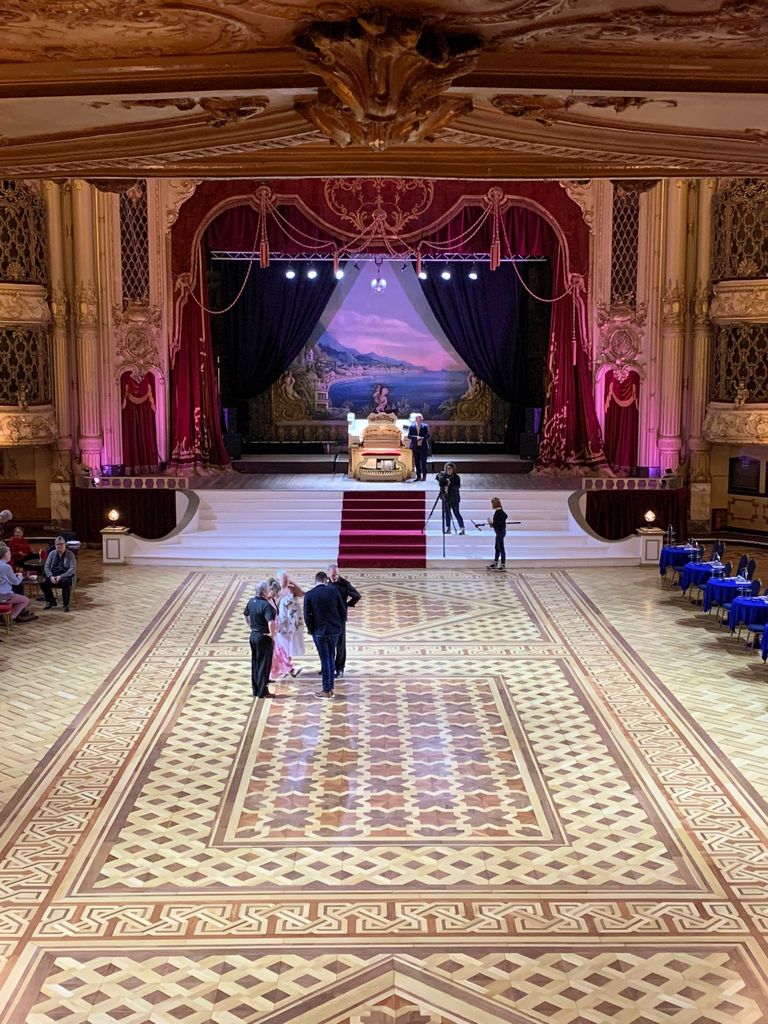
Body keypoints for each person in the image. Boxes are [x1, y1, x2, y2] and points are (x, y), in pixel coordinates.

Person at [303, 571, 347, 699]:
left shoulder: (310, 594)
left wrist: (312, 630)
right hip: (334, 630)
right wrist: (339, 626)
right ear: (325, 580)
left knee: (325, 659)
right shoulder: (334, 592)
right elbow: (342, 611)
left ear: (315, 581)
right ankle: (330, 687)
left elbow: (307, 616)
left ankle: (326, 690)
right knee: (331, 657)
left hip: (319, 632)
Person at [243, 579, 276, 699]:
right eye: (268, 589)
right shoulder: (266, 605)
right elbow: (271, 623)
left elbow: (245, 615)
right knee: (264, 664)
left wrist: (251, 626)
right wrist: (272, 635)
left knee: (255, 663)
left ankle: (256, 689)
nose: (269, 591)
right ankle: (263, 691)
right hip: (263, 637)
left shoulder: (251, 601)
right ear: (263, 591)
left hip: (253, 635)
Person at [328, 562, 361, 677]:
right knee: (329, 643)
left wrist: (347, 605)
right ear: (329, 574)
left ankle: (340, 668)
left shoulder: (345, 584)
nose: (334, 577)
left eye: (336, 575)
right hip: (329, 617)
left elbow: (357, 595)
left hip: (340, 617)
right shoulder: (327, 584)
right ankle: (329, 667)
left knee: (340, 644)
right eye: (332, 576)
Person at [267, 578, 300, 681]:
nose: (276, 594)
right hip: (272, 629)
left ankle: (286, 670)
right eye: (275, 592)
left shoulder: (272, 599)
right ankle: (287, 670)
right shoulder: (266, 601)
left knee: (280, 651)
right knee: (277, 652)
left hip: (278, 627)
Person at [0, 542, 36, 622]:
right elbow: (16, 582)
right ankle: (8, 619)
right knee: (25, 600)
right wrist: (21, 576)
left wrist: (14, 575)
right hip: (3, 596)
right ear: (4, 555)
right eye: (9, 553)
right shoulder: (6, 566)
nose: (10, 555)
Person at [40, 535, 77, 612]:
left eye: (61, 544)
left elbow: (72, 569)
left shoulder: (70, 554)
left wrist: (61, 576)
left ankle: (66, 604)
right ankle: (51, 601)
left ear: (65, 544)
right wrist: (51, 576)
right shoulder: (52, 553)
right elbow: (46, 567)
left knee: (65, 582)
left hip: (65, 575)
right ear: (55, 545)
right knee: (43, 582)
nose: (59, 546)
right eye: (57, 544)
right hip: (54, 575)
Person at [275, 569, 305, 663]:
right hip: (283, 621)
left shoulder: (291, 587)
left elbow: (302, 593)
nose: (286, 580)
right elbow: (274, 604)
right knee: (283, 644)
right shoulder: (276, 590)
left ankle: (288, 664)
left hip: (293, 620)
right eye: (284, 579)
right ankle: (285, 666)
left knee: (291, 644)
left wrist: (294, 585)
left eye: (287, 578)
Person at [436, 462, 465, 535]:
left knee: (456, 513)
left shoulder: (456, 477)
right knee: (447, 514)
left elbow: (457, 487)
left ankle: (462, 528)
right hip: (446, 498)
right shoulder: (444, 476)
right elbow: (439, 479)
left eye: (450, 469)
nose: (448, 470)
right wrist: (440, 476)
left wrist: (450, 483)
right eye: (447, 469)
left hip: (454, 499)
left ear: (453, 469)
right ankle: (448, 528)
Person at [407, 413, 431, 481]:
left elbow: (428, 435)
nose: (419, 420)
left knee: (423, 462)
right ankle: (418, 476)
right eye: (417, 419)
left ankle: (424, 476)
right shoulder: (412, 427)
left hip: (423, 447)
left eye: (420, 419)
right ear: (415, 420)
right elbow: (409, 436)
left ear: (422, 419)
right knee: (417, 462)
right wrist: (416, 437)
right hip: (415, 447)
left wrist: (422, 438)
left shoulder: (425, 426)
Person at [487, 496, 508, 571]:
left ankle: (503, 564)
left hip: (500, 532)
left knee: (501, 548)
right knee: (497, 548)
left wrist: (492, 524)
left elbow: (500, 524)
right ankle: (496, 562)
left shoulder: (499, 513)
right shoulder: (499, 511)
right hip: (499, 532)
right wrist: (493, 524)